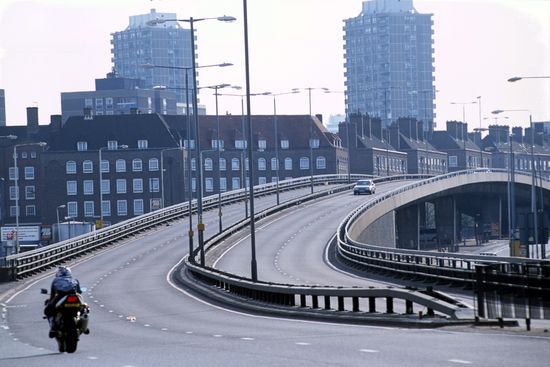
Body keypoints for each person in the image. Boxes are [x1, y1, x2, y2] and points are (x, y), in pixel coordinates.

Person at [44, 266, 81, 338]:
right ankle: (82, 319)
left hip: (61, 296)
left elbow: (52, 295)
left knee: (48, 309)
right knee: (83, 307)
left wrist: (50, 301)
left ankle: (53, 327)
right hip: (74, 296)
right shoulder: (74, 280)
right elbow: (79, 292)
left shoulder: (55, 280)